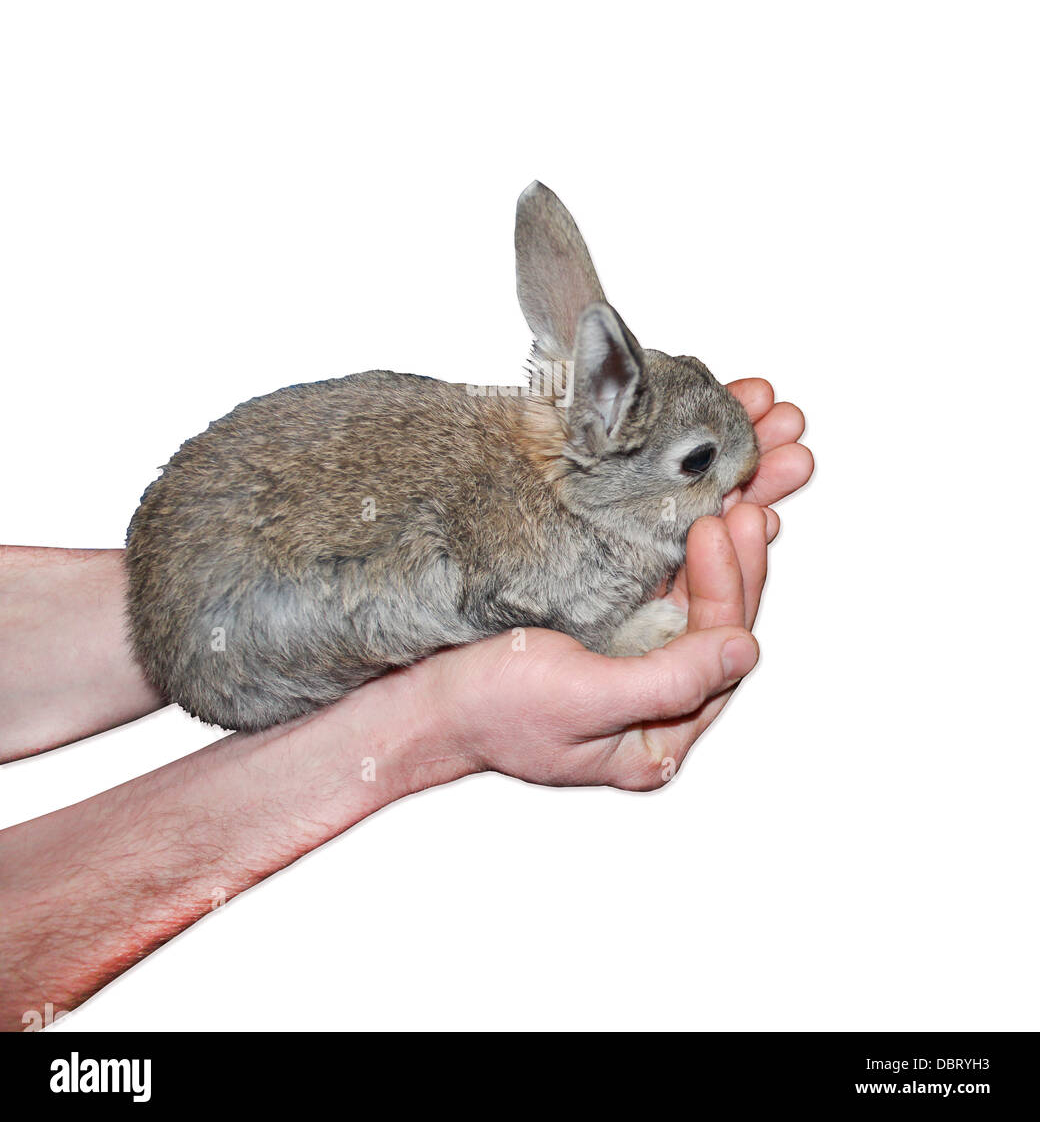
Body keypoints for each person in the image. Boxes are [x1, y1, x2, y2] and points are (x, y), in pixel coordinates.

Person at [0, 379, 811, 1031]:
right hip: (251, 644)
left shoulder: (527, 442)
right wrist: (436, 718)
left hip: (235, 602)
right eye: (699, 465)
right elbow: (518, 592)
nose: (725, 482)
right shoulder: (540, 517)